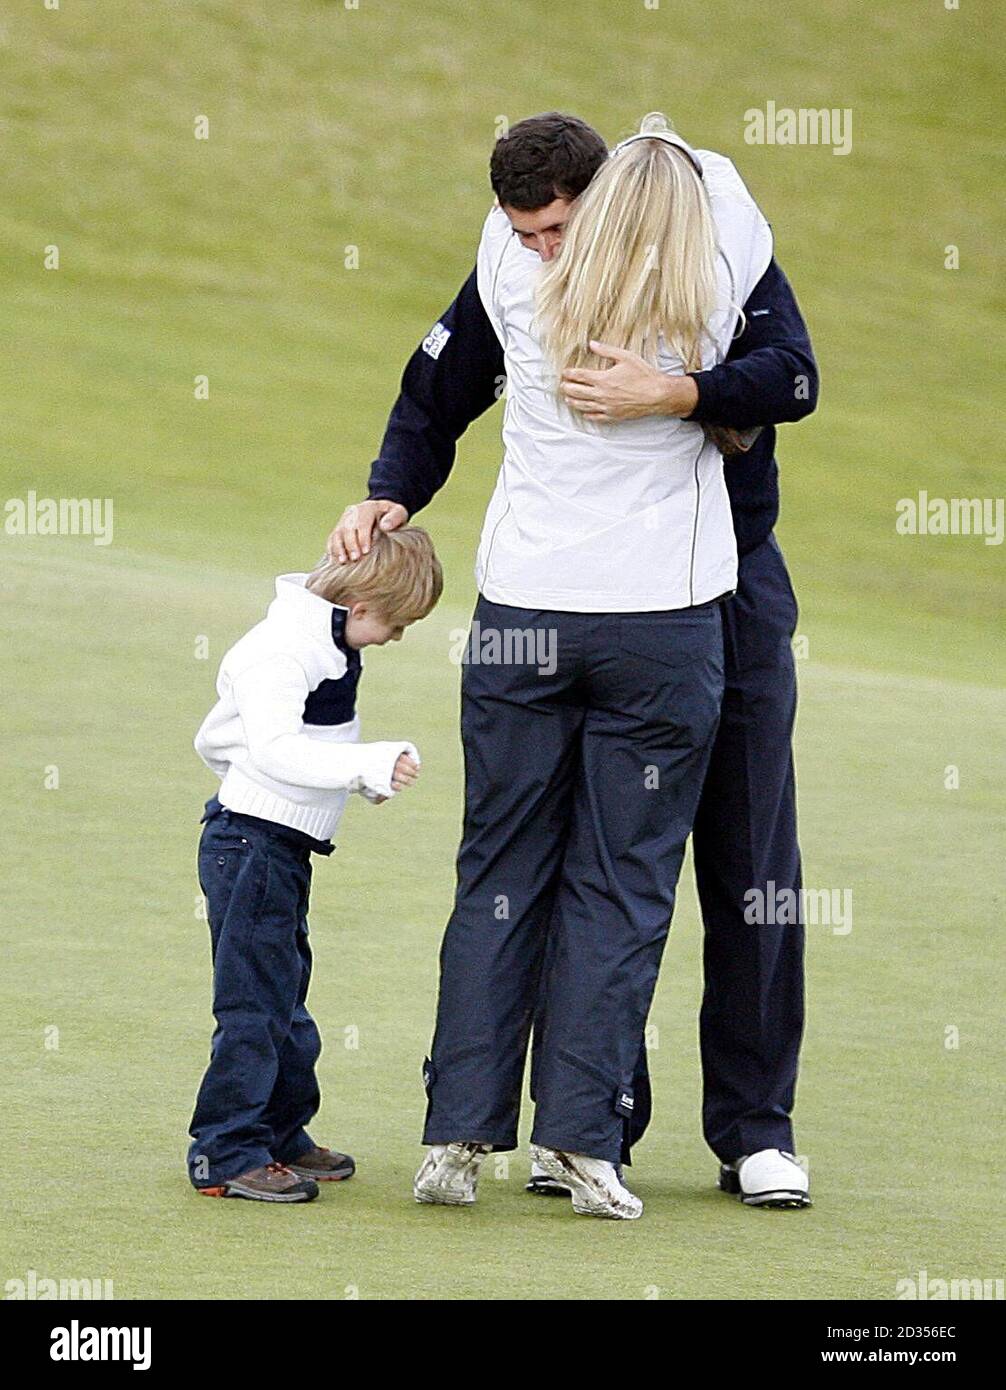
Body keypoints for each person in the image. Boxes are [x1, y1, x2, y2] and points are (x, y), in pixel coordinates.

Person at [331, 112, 819, 1211]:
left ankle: (756, 1129)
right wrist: (393, 483)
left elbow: (790, 376)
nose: (541, 249)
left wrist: (680, 394)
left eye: (557, 228)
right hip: (627, 606)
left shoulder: (708, 239)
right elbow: (436, 392)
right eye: (526, 233)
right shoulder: (512, 261)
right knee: (593, 865)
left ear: (604, 201)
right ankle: (597, 1124)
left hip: (728, 580)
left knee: (749, 857)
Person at [187, 528, 441, 1202]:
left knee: (285, 999)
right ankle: (226, 1151)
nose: (396, 636)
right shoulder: (284, 650)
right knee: (255, 1006)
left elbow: (226, 740)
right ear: (358, 606)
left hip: (277, 847)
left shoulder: (321, 643)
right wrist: (363, 763)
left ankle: (278, 1132)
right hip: (252, 848)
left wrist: (360, 778)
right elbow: (271, 751)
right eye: (396, 622)